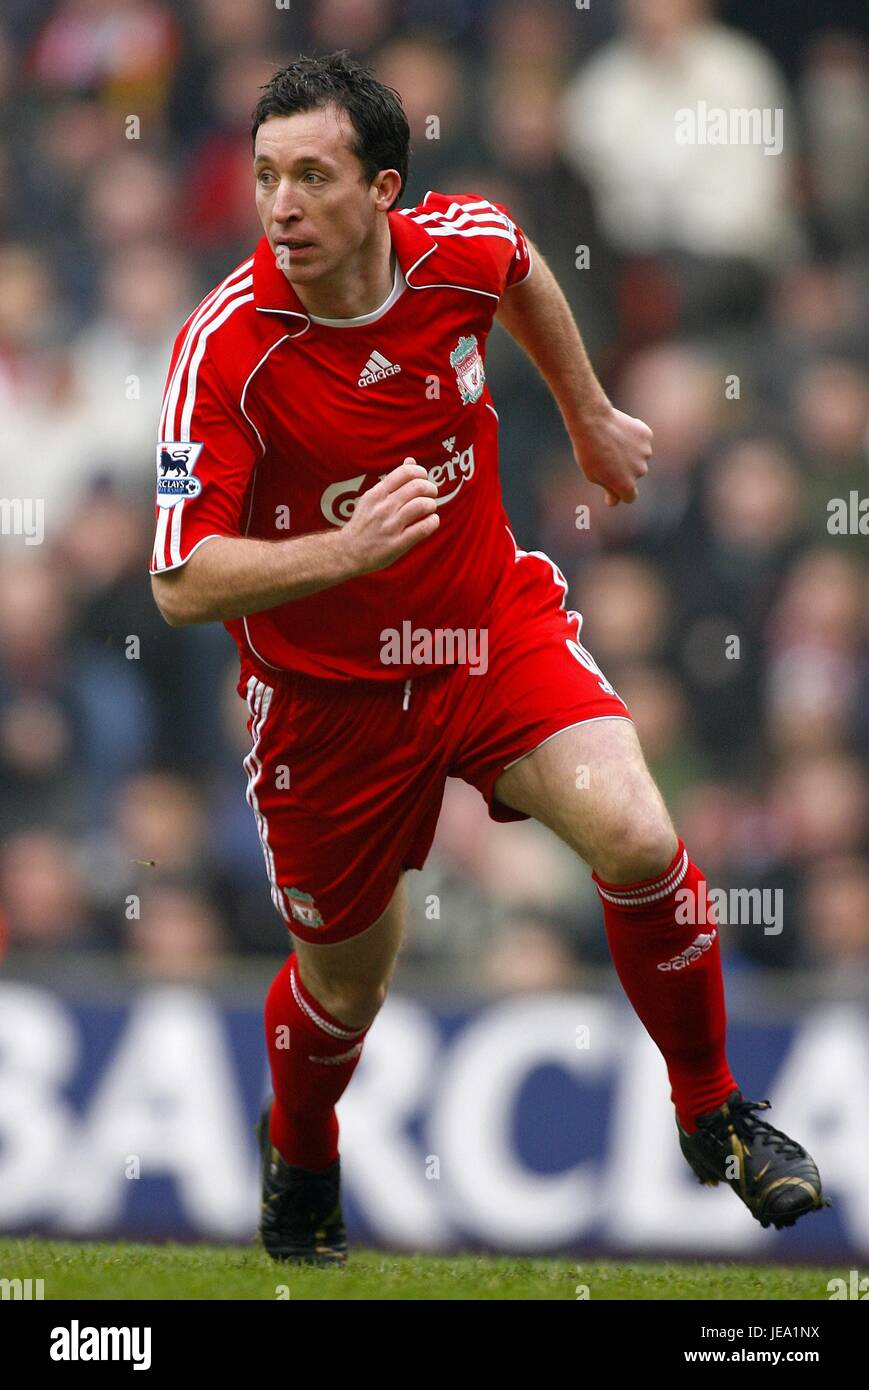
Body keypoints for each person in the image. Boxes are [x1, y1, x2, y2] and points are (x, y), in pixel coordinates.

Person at [149, 52, 827, 1264]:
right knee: (345, 990)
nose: (281, 205)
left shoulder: (457, 245)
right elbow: (180, 577)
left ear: (383, 189)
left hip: (485, 634)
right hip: (323, 705)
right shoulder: (229, 349)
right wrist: (343, 550)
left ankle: (711, 1111)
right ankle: (300, 1146)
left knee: (631, 829)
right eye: (264, 177)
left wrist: (586, 415)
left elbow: (519, 273)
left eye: (312, 175)